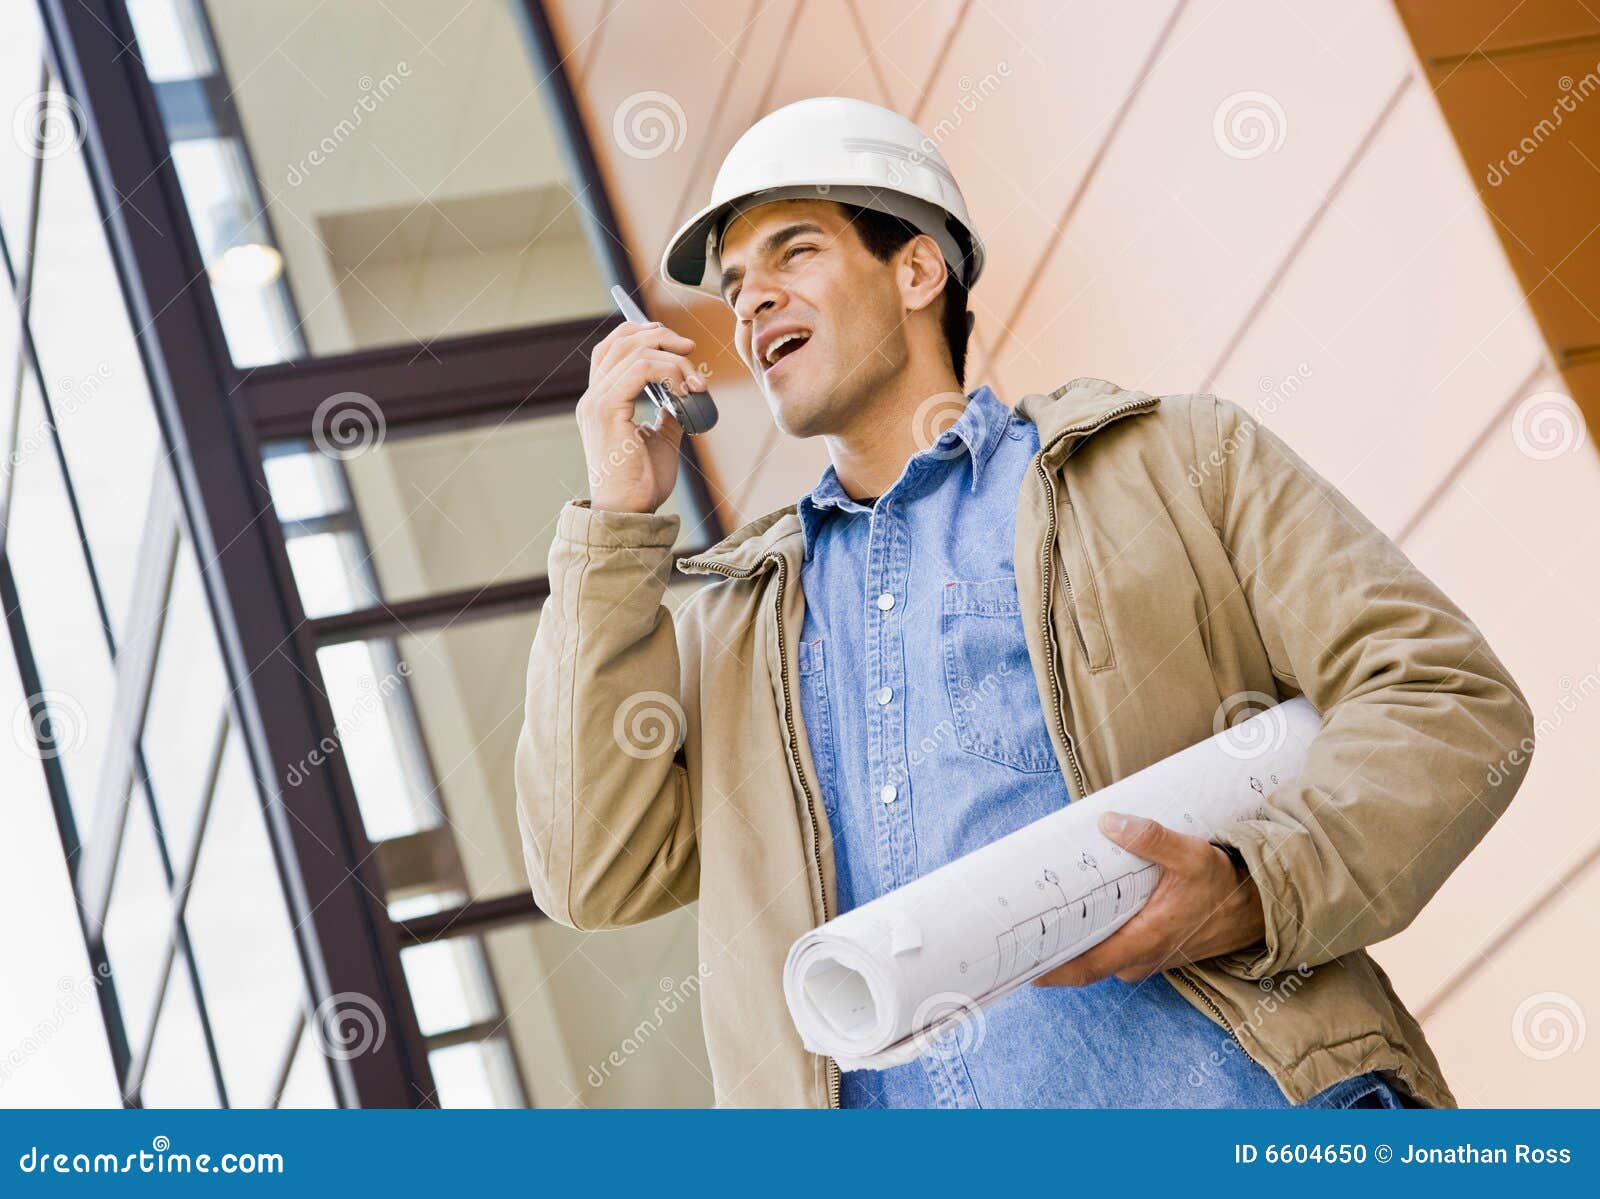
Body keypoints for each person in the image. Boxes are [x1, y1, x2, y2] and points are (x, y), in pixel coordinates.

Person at [514, 96, 1534, 1108]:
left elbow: (1444, 697)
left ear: (918, 269)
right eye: (735, 284)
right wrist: (615, 524)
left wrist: (1254, 881)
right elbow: (593, 870)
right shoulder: (735, 625)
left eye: (794, 254)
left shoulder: (1173, 461)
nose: (751, 302)